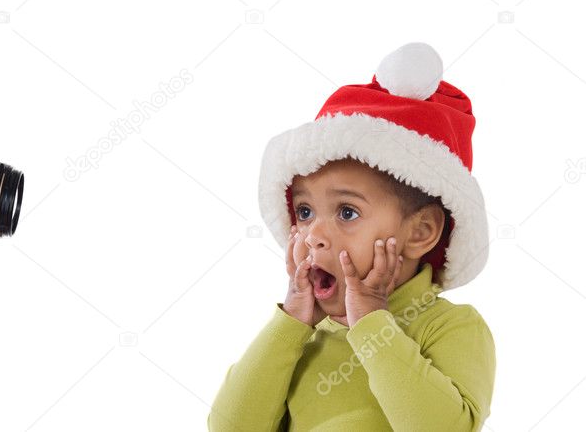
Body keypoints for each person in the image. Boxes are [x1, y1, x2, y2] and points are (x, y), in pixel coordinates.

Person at [208, 42, 496, 431]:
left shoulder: (448, 327)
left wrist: (373, 324)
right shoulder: (301, 339)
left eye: (347, 212)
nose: (314, 235)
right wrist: (290, 323)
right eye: (305, 212)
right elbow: (231, 428)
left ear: (421, 232)